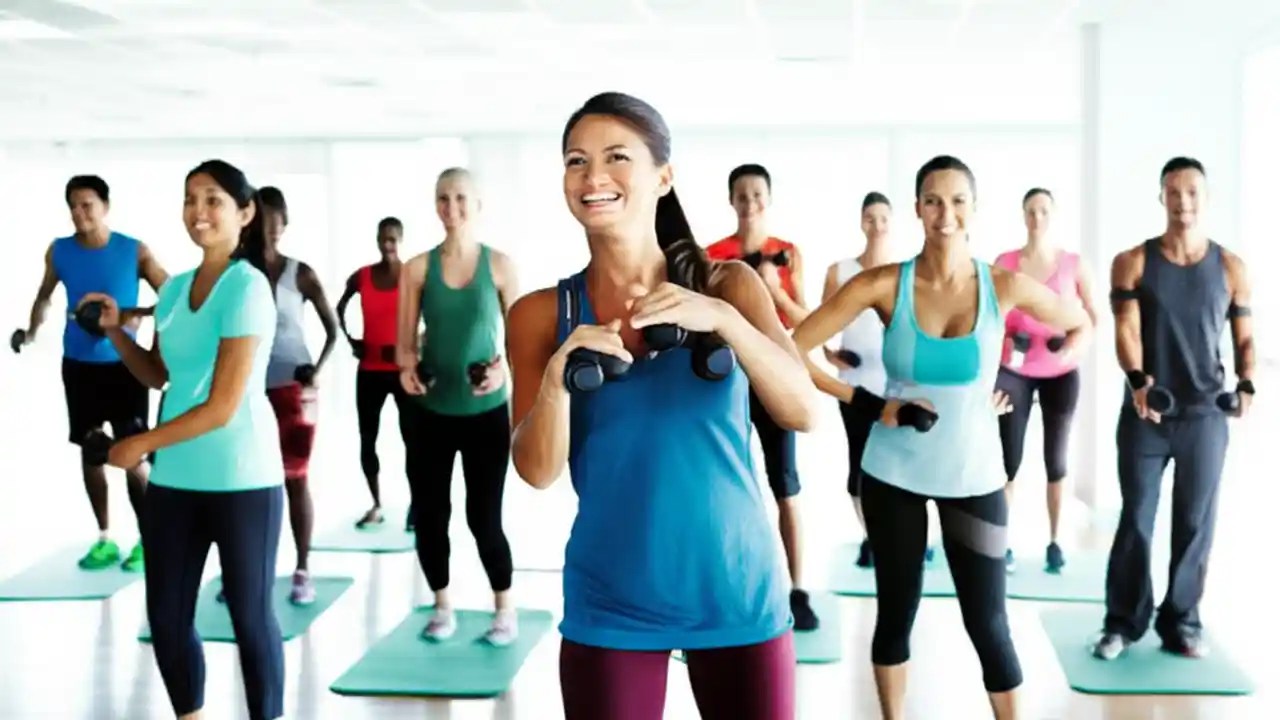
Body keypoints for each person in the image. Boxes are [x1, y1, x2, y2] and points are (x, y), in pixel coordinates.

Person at [507, 91, 817, 720]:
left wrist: (725, 320)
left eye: (617, 157)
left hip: (737, 589)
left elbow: (802, 410)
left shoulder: (729, 285)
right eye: (576, 161)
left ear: (663, 176)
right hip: (611, 598)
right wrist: (557, 381)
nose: (593, 176)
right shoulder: (542, 314)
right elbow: (537, 471)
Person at [790, 155, 1090, 720]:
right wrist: (870, 403)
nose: (944, 213)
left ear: (973, 209)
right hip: (892, 473)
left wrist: (1043, 361)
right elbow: (793, 346)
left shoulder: (1003, 284)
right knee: (896, 612)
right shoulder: (883, 283)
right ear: (917, 210)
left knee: (988, 622)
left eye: (956, 201)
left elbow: (1079, 322)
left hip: (974, 473)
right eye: (933, 200)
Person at [84, 159, 286, 720]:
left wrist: (139, 444)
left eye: (214, 199)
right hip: (176, 479)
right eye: (190, 198)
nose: (199, 211)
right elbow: (161, 374)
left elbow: (222, 405)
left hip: (243, 476)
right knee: (168, 617)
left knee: (250, 617)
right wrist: (118, 334)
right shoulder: (172, 291)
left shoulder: (247, 288)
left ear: (245, 214)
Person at [1092, 156, 1253, 662]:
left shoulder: (1230, 267)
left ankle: (1182, 622)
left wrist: (1248, 385)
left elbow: (1244, 337)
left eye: (1192, 192)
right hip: (1147, 414)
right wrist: (1138, 381)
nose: (1183, 201)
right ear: (1161, 196)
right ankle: (1122, 623)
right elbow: (1126, 330)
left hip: (1206, 415)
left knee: (1195, 522)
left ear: (1206, 198)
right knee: (1137, 519)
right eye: (1173, 191)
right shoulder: (1133, 262)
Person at [15, 174, 168, 571]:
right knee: (91, 450)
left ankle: (149, 537)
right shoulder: (60, 251)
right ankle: (104, 538)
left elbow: (172, 295)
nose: (79, 213)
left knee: (133, 453)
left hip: (126, 366)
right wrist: (31, 332)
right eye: (73, 206)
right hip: (79, 365)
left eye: (87, 204)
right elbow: (44, 296)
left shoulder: (134, 251)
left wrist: (134, 317)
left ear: (106, 206)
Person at [396, 167, 521, 646]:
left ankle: (503, 609)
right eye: (444, 198)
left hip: (486, 414)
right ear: (435, 205)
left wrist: (502, 371)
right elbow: (405, 345)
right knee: (431, 514)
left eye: (461, 198)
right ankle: (442, 605)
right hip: (430, 414)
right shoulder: (417, 269)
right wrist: (408, 369)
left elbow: (519, 345)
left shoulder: (501, 267)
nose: (452, 208)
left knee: (483, 517)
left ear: (478, 204)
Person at [704, 163, 817, 630]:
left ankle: (797, 589)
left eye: (757, 194)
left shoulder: (787, 253)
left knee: (784, 486)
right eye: (742, 195)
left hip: (772, 377)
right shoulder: (712, 255)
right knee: (724, 485)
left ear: (768, 199)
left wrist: (772, 291)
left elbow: (803, 319)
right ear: (732, 201)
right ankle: (727, 585)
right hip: (727, 381)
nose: (750, 202)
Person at [993, 188, 1099, 574]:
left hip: (1060, 372)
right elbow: (987, 320)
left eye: (1043, 211)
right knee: (1009, 460)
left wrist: (1071, 343)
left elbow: (1093, 319)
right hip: (1014, 371)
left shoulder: (1073, 264)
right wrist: (1007, 338)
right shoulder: (1005, 263)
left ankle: (1055, 542)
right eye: (1031, 211)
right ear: (1023, 216)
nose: (1037, 217)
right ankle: (1002, 545)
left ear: (1052, 215)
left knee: (1056, 459)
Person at [253, 186, 338, 607]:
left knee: (294, 478)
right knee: (250, 481)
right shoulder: (239, 273)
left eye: (274, 220)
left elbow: (333, 328)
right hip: (248, 389)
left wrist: (316, 371)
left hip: (293, 387)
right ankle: (252, 570)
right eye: (259, 219)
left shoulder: (299, 273)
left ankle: (302, 569)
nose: (267, 228)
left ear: (284, 224)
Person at [821, 191, 893, 569]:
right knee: (859, 465)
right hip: (854, 385)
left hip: (898, 386)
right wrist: (832, 356)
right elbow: (818, 324)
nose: (877, 225)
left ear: (891, 223)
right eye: (870, 218)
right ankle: (871, 537)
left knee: (899, 466)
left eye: (883, 218)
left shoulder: (903, 270)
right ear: (861, 222)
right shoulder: (841, 271)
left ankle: (901, 536)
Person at [335, 216, 414, 530]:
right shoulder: (362, 277)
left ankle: (416, 506)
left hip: (403, 371)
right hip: (369, 371)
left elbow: (430, 315)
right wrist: (353, 340)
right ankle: (376, 504)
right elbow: (338, 309)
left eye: (393, 238)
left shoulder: (412, 276)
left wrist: (415, 345)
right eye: (383, 238)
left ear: (401, 239)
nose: (388, 245)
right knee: (368, 440)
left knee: (414, 441)